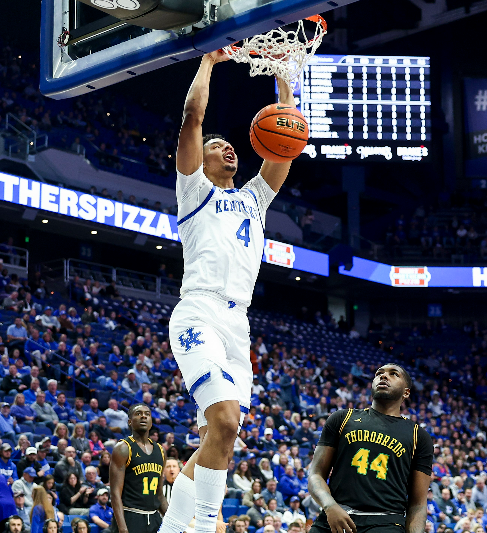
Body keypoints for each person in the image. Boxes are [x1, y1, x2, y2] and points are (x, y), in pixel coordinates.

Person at [159, 46, 296, 533]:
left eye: (231, 145)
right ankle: (204, 523)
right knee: (224, 423)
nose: (228, 148)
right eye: (218, 146)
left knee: (220, 440)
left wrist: (283, 81)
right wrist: (209, 63)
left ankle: (173, 529)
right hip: (198, 313)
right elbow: (194, 118)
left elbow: (285, 140)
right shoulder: (194, 192)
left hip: (238, 325)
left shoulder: (255, 199)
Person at [307, 364, 434, 533]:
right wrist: (330, 505)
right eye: (379, 373)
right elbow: (315, 474)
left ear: (406, 392)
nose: (383, 376)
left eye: (393, 374)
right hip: (336, 515)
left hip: (386, 523)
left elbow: (418, 504)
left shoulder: (419, 436)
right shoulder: (342, 419)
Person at [110, 404, 166, 533]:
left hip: (154, 518)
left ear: (151, 422)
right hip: (130, 516)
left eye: (147, 414)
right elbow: (115, 494)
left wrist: (175, 523)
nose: (143, 417)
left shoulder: (161, 451)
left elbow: (160, 495)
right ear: (130, 421)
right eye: (138, 413)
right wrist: (123, 528)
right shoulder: (123, 448)